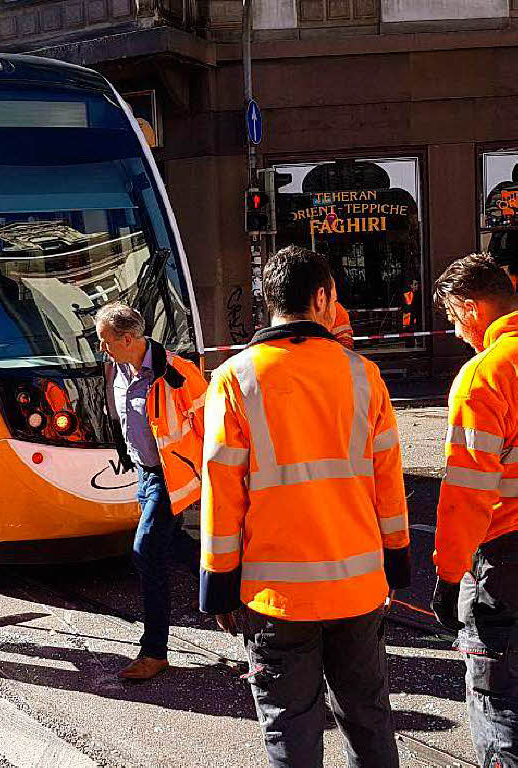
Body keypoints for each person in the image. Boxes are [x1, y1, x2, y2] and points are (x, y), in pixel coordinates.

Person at [200, 245, 410, 768]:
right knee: (368, 722)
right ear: (320, 298)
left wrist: (219, 583)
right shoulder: (364, 376)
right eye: (334, 296)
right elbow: (388, 481)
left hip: (277, 596)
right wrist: (397, 558)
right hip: (358, 587)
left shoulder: (235, 379)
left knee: (290, 729)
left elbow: (222, 491)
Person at [430, 253, 518, 767]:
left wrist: (448, 574)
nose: (456, 332)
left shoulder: (484, 375)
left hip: (504, 557)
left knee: (500, 699)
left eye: (453, 319)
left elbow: (466, 492)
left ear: (471, 309)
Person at [95, 302, 208, 681]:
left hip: (170, 477)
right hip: (145, 475)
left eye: (105, 340)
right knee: (173, 545)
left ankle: (154, 650)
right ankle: (231, 595)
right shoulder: (119, 368)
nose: (102, 348)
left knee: (147, 553)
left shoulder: (177, 372)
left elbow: (213, 428)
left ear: (128, 339)